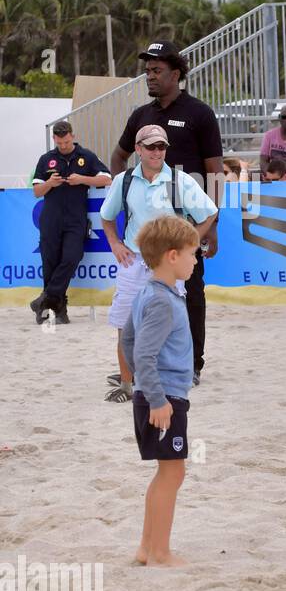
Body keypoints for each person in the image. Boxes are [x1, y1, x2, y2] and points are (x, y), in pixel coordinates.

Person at [112, 39, 223, 387]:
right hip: (145, 235)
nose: (150, 76)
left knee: (190, 296)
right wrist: (123, 189)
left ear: (176, 74)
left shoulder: (200, 113)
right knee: (143, 299)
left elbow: (215, 170)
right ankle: (136, 368)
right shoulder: (140, 116)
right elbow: (118, 157)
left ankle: (192, 365)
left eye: (157, 70)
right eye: (147, 70)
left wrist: (212, 225)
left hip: (186, 226)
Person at [101, 125, 218, 403]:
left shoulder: (181, 181)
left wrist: (188, 245)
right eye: (151, 146)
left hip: (167, 265)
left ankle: (165, 380)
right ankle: (127, 385)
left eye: (161, 146)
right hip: (133, 260)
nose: (157, 152)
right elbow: (107, 217)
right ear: (138, 149)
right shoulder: (124, 180)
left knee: (168, 323)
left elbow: (208, 214)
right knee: (125, 323)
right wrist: (115, 244)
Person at [123, 213, 201, 568]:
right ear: (172, 256)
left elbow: (127, 340)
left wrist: (143, 387)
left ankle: (145, 547)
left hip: (156, 395)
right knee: (173, 473)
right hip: (163, 399)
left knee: (165, 473)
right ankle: (160, 552)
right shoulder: (160, 301)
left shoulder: (148, 294)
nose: (195, 260)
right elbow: (142, 351)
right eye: (191, 253)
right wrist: (155, 397)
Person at [29, 119, 111, 325]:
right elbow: (37, 192)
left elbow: (107, 178)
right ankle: (56, 310)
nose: (63, 146)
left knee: (72, 257)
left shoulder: (86, 156)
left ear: (72, 136)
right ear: (54, 139)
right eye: (60, 143)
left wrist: (82, 179)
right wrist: (50, 183)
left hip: (76, 219)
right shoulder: (46, 159)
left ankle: (45, 299)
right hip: (51, 218)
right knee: (50, 263)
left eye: (66, 142)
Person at [259, 104, 286, 179]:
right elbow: (263, 160)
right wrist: (268, 174)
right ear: (279, 117)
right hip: (272, 172)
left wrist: (283, 173)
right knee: (253, 176)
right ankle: (257, 191)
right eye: (284, 117)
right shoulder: (269, 135)